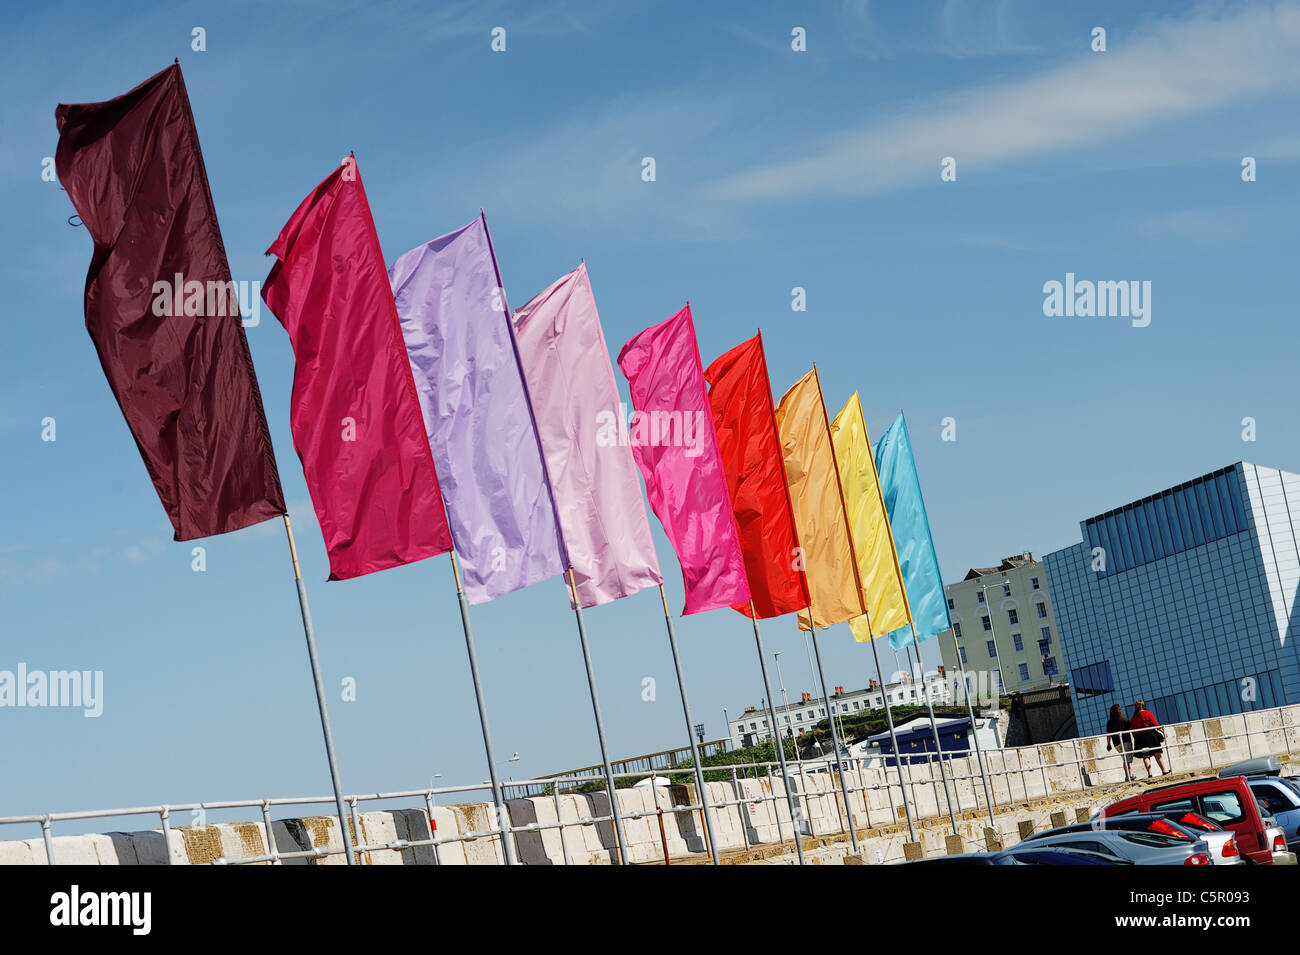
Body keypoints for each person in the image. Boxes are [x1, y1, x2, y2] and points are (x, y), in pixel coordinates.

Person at [1129, 700, 1168, 777]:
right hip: (1150, 735)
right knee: (1157, 754)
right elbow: (1155, 724)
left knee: (1145, 756)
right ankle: (1164, 770)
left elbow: (1132, 729)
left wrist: (1135, 737)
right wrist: (1163, 732)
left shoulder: (1134, 717)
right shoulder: (1147, 713)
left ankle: (1150, 774)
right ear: (1143, 705)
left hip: (1139, 737)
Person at [1105, 703, 1134, 781]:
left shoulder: (1109, 723)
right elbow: (1132, 729)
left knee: (1125, 759)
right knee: (1127, 760)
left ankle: (1129, 775)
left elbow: (1108, 735)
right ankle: (1128, 776)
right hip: (1126, 741)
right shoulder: (1125, 720)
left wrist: (1108, 744)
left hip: (1116, 743)